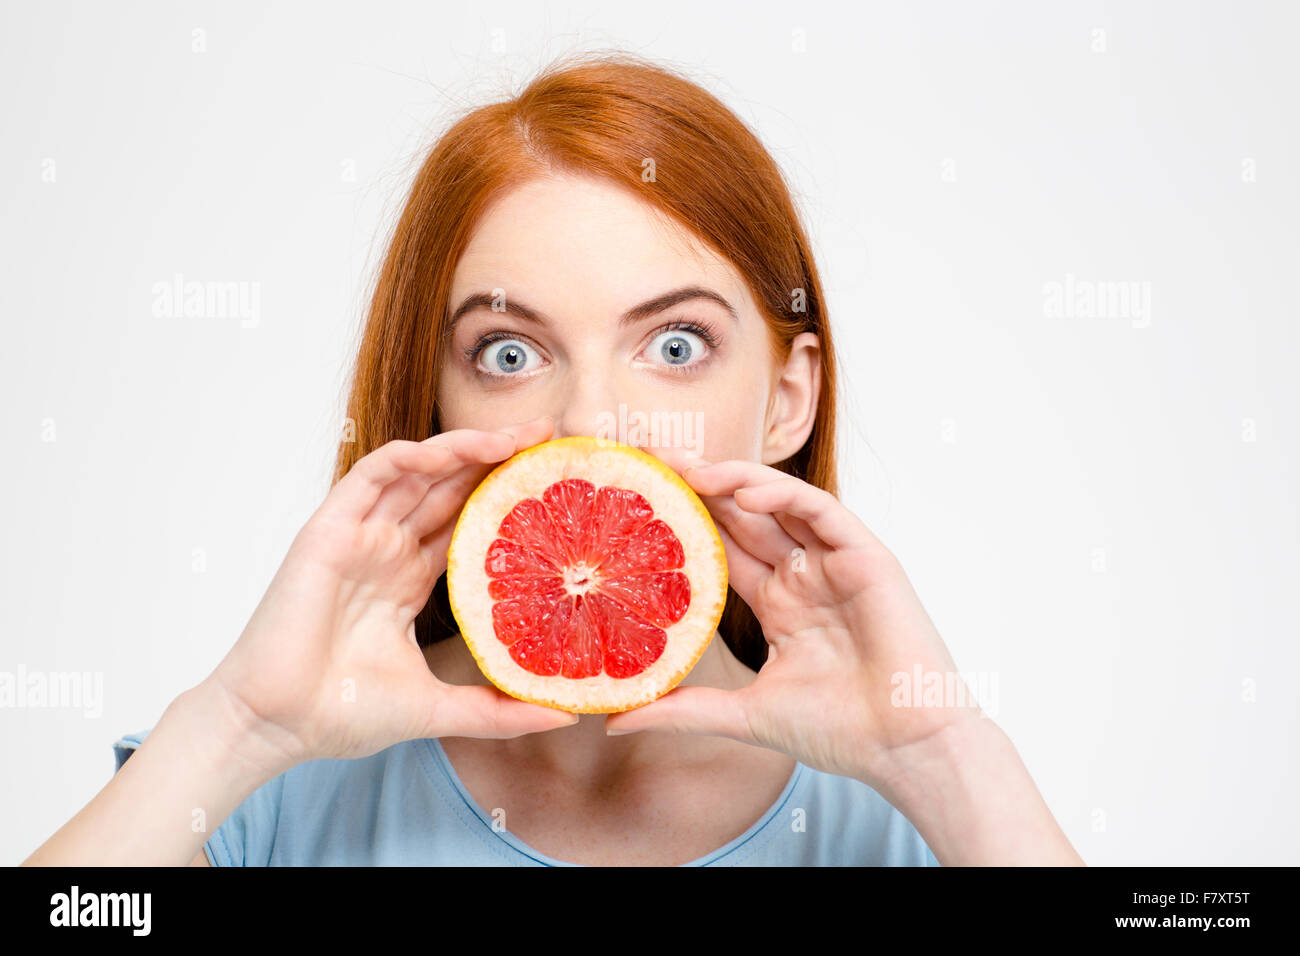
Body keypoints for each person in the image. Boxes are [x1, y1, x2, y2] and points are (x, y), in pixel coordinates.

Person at [23, 51, 1083, 867]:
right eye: (510, 351)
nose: (593, 419)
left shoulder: (901, 817)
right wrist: (236, 724)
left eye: (674, 346)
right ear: (436, 394)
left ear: (788, 398)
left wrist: (945, 755)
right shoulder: (279, 783)